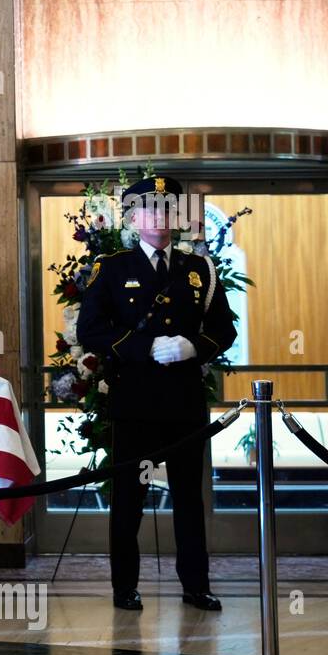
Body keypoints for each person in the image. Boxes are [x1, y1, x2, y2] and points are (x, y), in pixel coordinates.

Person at [77, 175, 237, 612]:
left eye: (168, 209)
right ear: (132, 217)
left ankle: (195, 585)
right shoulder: (112, 269)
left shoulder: (198, 270)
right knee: (129, 499)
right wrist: (142, 347)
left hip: (184, 402)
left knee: (188, 498)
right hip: (136, 401)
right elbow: (89, 330)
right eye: (149, 208)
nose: (159, 216)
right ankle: (124, 586)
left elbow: (224, 329)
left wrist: (193, 346)